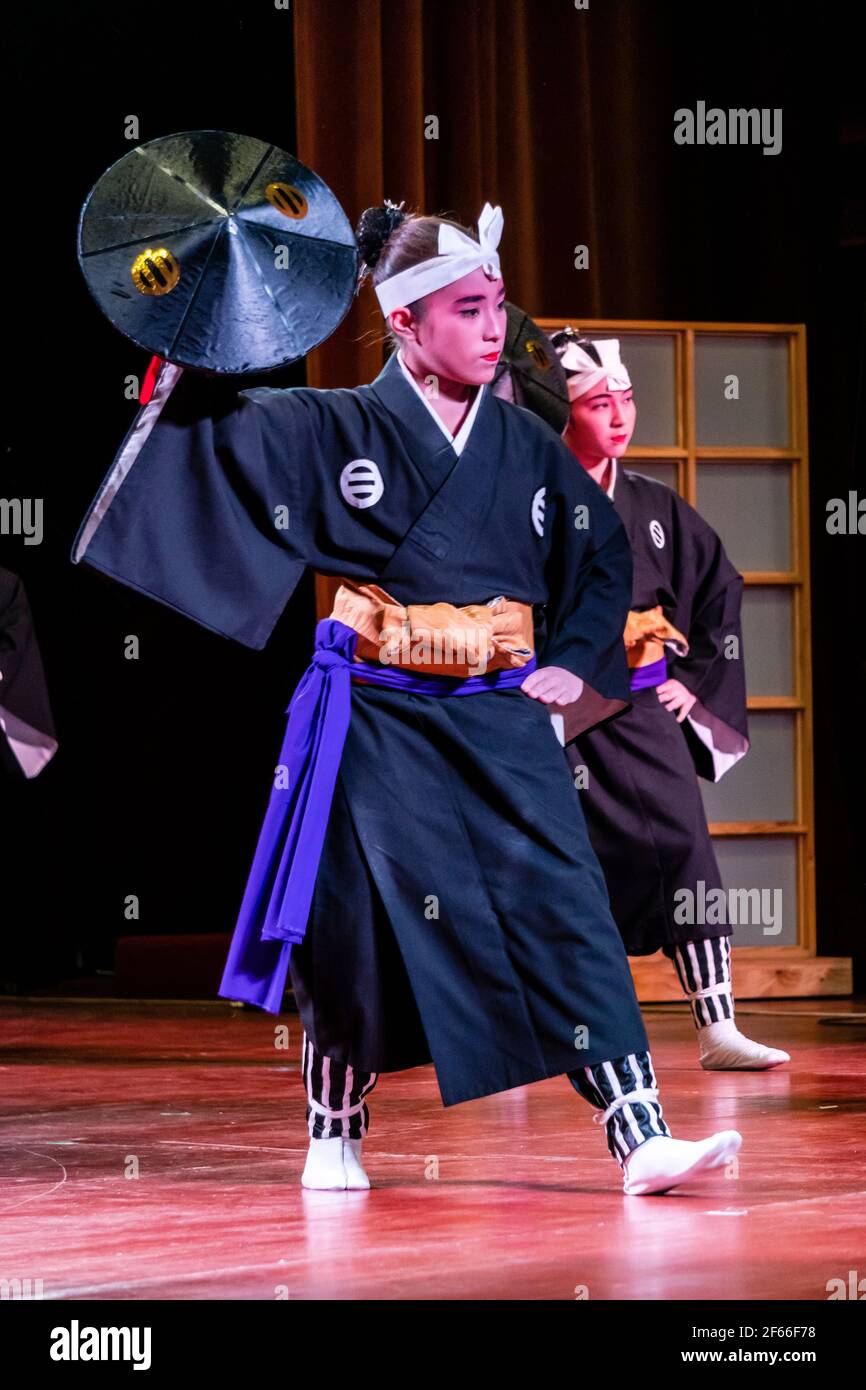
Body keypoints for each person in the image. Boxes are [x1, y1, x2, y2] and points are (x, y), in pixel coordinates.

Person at [72, 202, 742, 1194]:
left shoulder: (520, 441)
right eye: (464, 309)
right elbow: (207, 444)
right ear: (403, 322)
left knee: (565, 903)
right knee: (359, 925)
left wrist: (568, 661)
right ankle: (332, 1127)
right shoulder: (333, 424)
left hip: (499, 706)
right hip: (378, 712)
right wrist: (195, 338)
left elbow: (597, 555)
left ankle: (637, 1129)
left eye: (495, 307)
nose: (488, 330)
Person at [550, 329, 790, 1071]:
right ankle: (535, 1035)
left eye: (625, 398)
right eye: (598, 403)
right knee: (552, 869)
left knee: (686, 850)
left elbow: (718, 586)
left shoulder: (653, 503)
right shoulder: (533, 495)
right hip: (557, 716)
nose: (618, 415)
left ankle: (717, 1026)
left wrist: (692, 681)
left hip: (643, 708)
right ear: (564, 414)